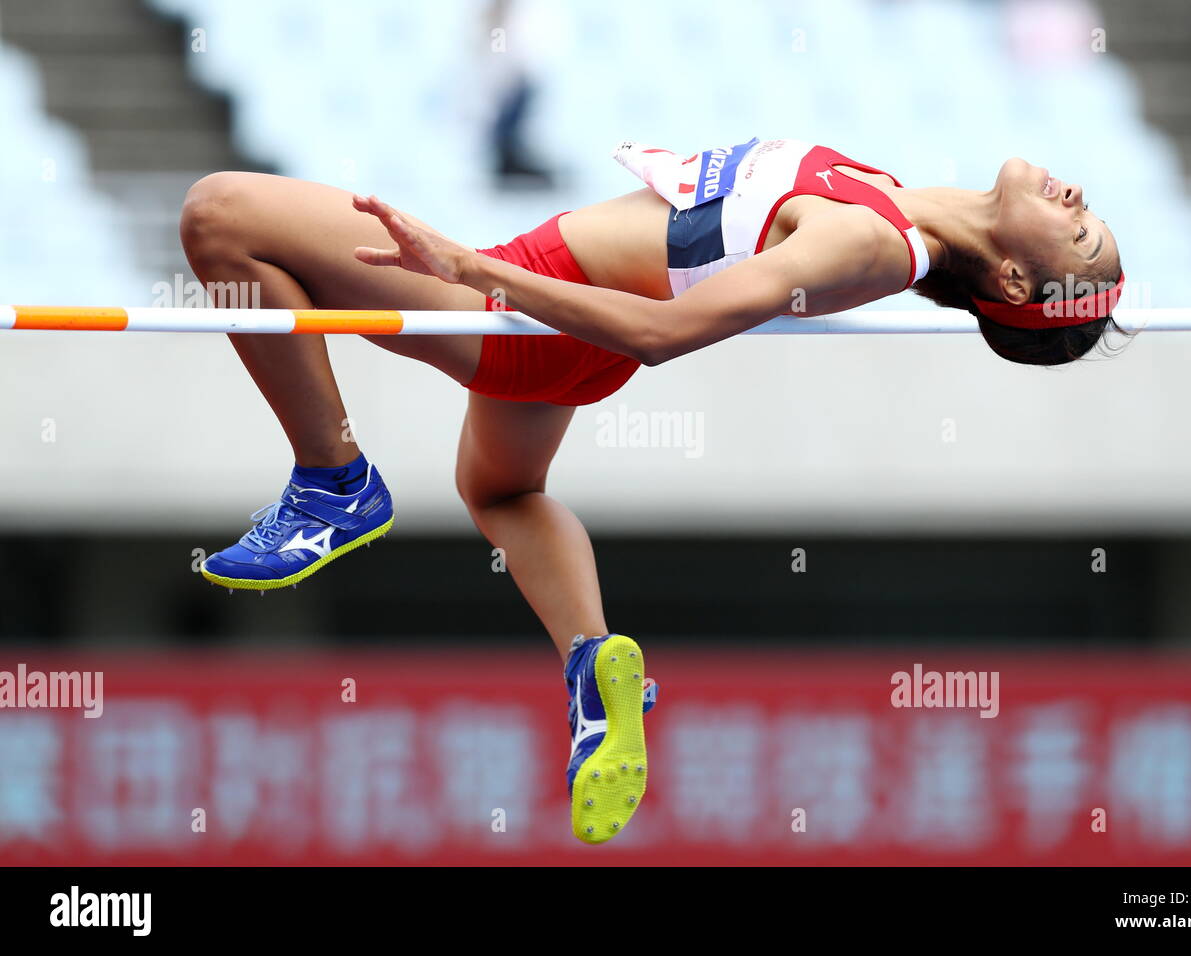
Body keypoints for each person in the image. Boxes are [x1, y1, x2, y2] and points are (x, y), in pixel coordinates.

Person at [179, 137, 1124, 843]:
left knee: (221, 215)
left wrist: (476, 274)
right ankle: (593, 669)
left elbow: (662, 332)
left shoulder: (867, 243)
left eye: (1078, 230)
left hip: (537, 306)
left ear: (1010, 274)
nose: (1076, 197)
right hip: (560, 332)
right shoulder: (896, 212)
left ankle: (333, 479)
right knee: (500, 492)